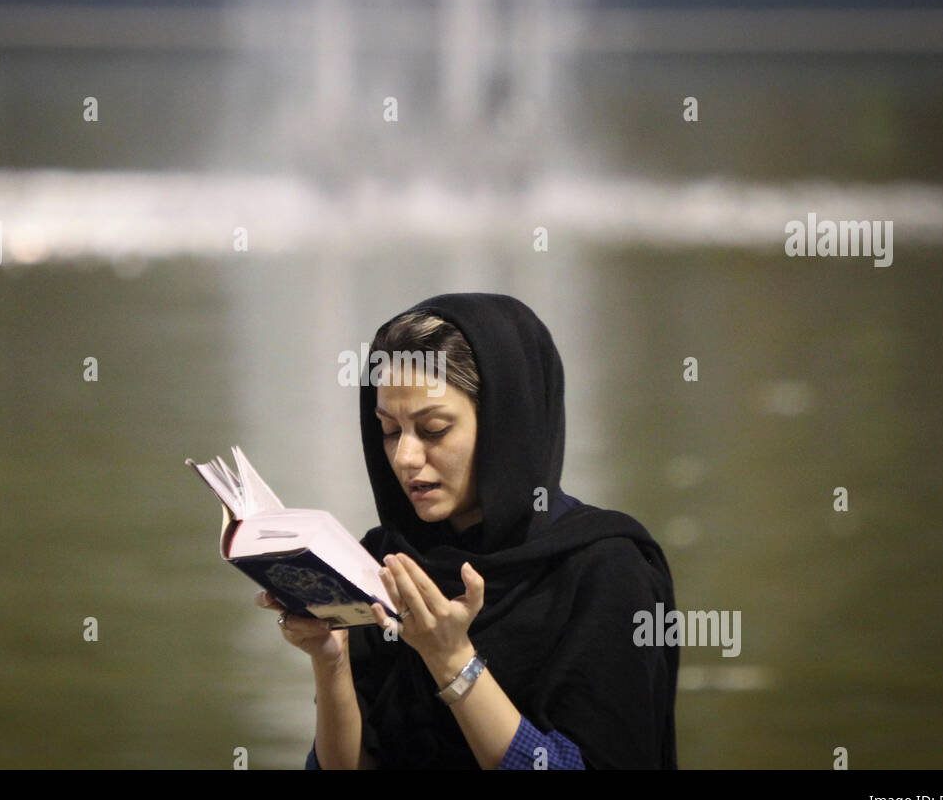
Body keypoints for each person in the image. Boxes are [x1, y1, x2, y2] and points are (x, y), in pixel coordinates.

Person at [254, 292, 679, 769]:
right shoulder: (386, 562)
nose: (405, 457)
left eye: (433, 430)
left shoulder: (606, 570)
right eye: (390, 430)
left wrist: (452, 659)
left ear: (506, 424)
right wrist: (331, 663)